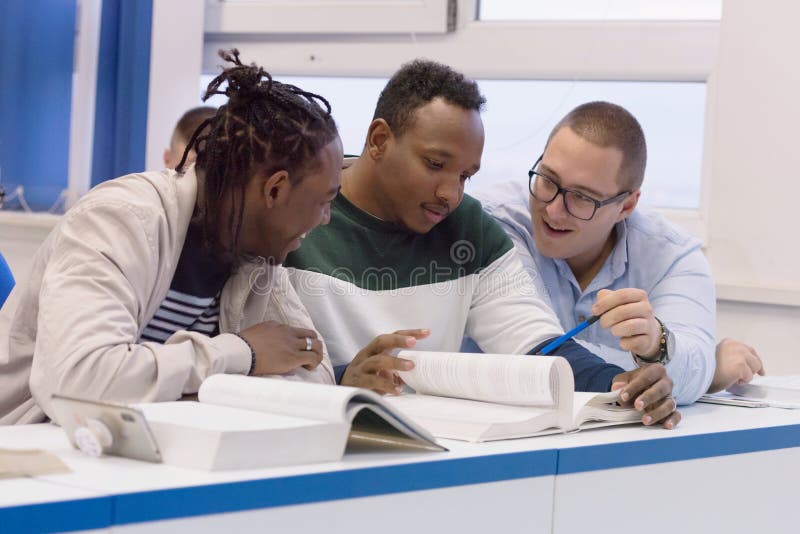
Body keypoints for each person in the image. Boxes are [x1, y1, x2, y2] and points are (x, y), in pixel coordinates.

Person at [285, 60, 680, 429]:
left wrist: (624, 385)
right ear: (380, 139)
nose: (449, 194)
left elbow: (538, 349)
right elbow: (244, 363)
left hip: (432, 450)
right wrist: (340, 381)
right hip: (301, 442)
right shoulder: (293, 211)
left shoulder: (469, 231)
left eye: (466, 176)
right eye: (435, 165)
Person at [0, 49, 343, 424]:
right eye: (324, 202)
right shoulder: (121, 219)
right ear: (275, 190)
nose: (325, 220)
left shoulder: (255, 251)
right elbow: (77, 381)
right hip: (37, 448)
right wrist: (240, 354)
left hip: (151, 452)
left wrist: (236, 371)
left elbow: (314, 369)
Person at [472, 101, 764, 404]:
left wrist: (656, 346)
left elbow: (692, 361)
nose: (554, 210)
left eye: (582, 197)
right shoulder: (492, 223)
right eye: (548, 180)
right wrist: (703, 375)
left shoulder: (673, 256)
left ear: (626, 205)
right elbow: (532, 357)